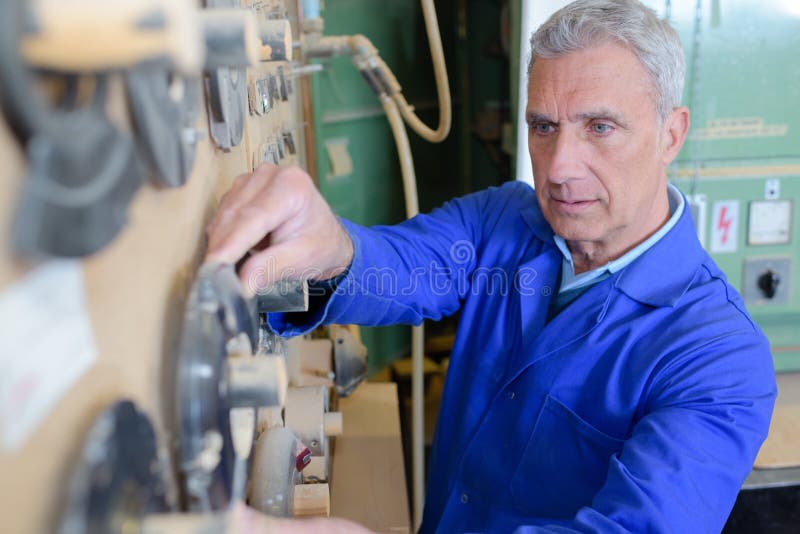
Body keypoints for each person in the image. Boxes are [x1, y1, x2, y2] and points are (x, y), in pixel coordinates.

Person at [206, 0, 776, 531]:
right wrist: (327, 247)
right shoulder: (506, 220)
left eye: (600, 127)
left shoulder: (719, 359)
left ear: (671, 133)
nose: (558, 168)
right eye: (544, 127)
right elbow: (394, 266)